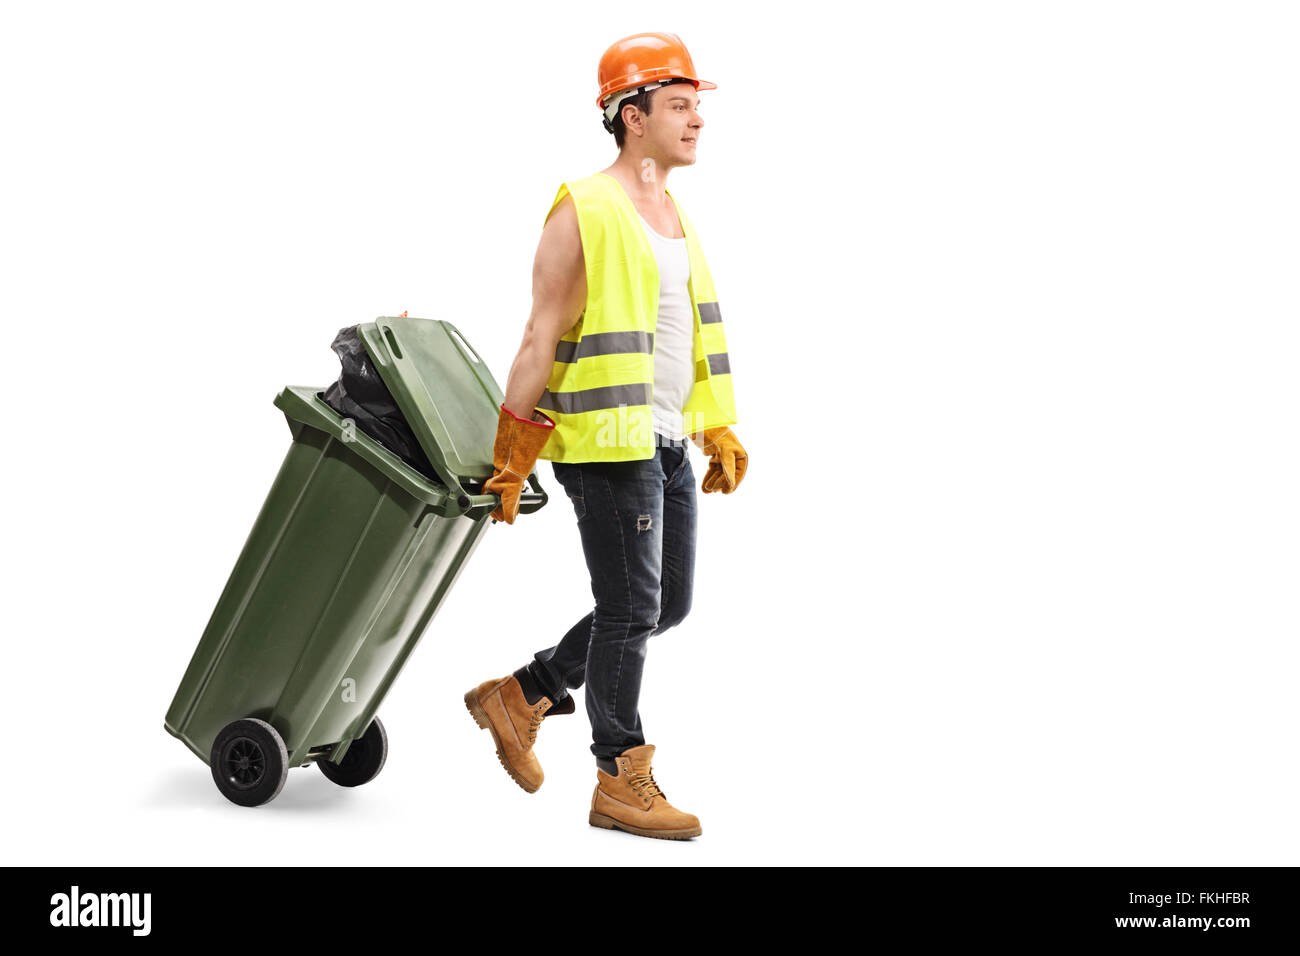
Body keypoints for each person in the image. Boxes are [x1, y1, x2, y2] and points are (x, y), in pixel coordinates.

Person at [464, 32, 747, 841]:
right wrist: (513, 454)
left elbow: (677, 333)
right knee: (631, 608)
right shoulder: (583, 208)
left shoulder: (671, 213)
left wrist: (712, 420)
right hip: (604, 443)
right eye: (680, 106)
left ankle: (524, 694)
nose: (697, 121)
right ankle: (620, 776)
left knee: (668, 604)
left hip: (662, 440)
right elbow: (538, 335)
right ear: (632, 116)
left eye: (700, 106)